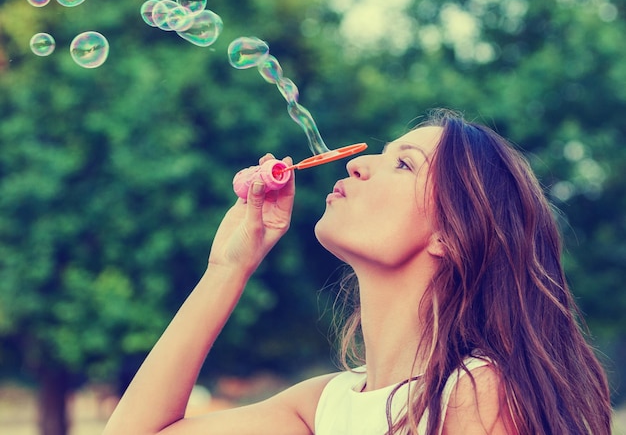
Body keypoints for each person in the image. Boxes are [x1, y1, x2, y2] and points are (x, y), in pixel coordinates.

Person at [103, 109, 612, 435]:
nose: (358, 164)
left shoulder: (480, 397)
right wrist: (227, 267)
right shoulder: (324, 404)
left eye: (404, 164)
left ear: (452, 235)